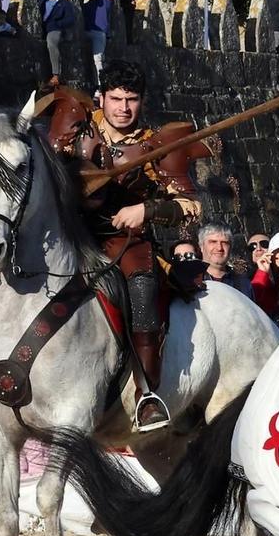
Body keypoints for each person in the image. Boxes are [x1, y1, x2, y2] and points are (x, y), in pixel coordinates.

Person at [49, 60, 203, 431]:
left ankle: (147, 393)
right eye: (116, 98)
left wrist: (146, 209)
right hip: (69, 232)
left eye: (131, 99)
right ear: (102, 97)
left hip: (125, 240)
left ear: (142, 101)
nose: (123, 108)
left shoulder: (158, 144)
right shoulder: (75, 131)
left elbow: (191, 206)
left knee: (143, 286)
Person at [40, 0, 76, 85]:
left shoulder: (64, 2)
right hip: (43, 30)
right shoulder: (42, 2)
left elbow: (70, 19)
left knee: (51, 42)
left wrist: (57, 24)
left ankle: (56, 74)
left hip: (56, 30)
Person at [196, 223, 242, 287]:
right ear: (201, 246)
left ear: (231, 247)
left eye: (224, 243)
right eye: (213, 242)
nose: (219, 248)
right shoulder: (189, 281)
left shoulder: (243, 283)